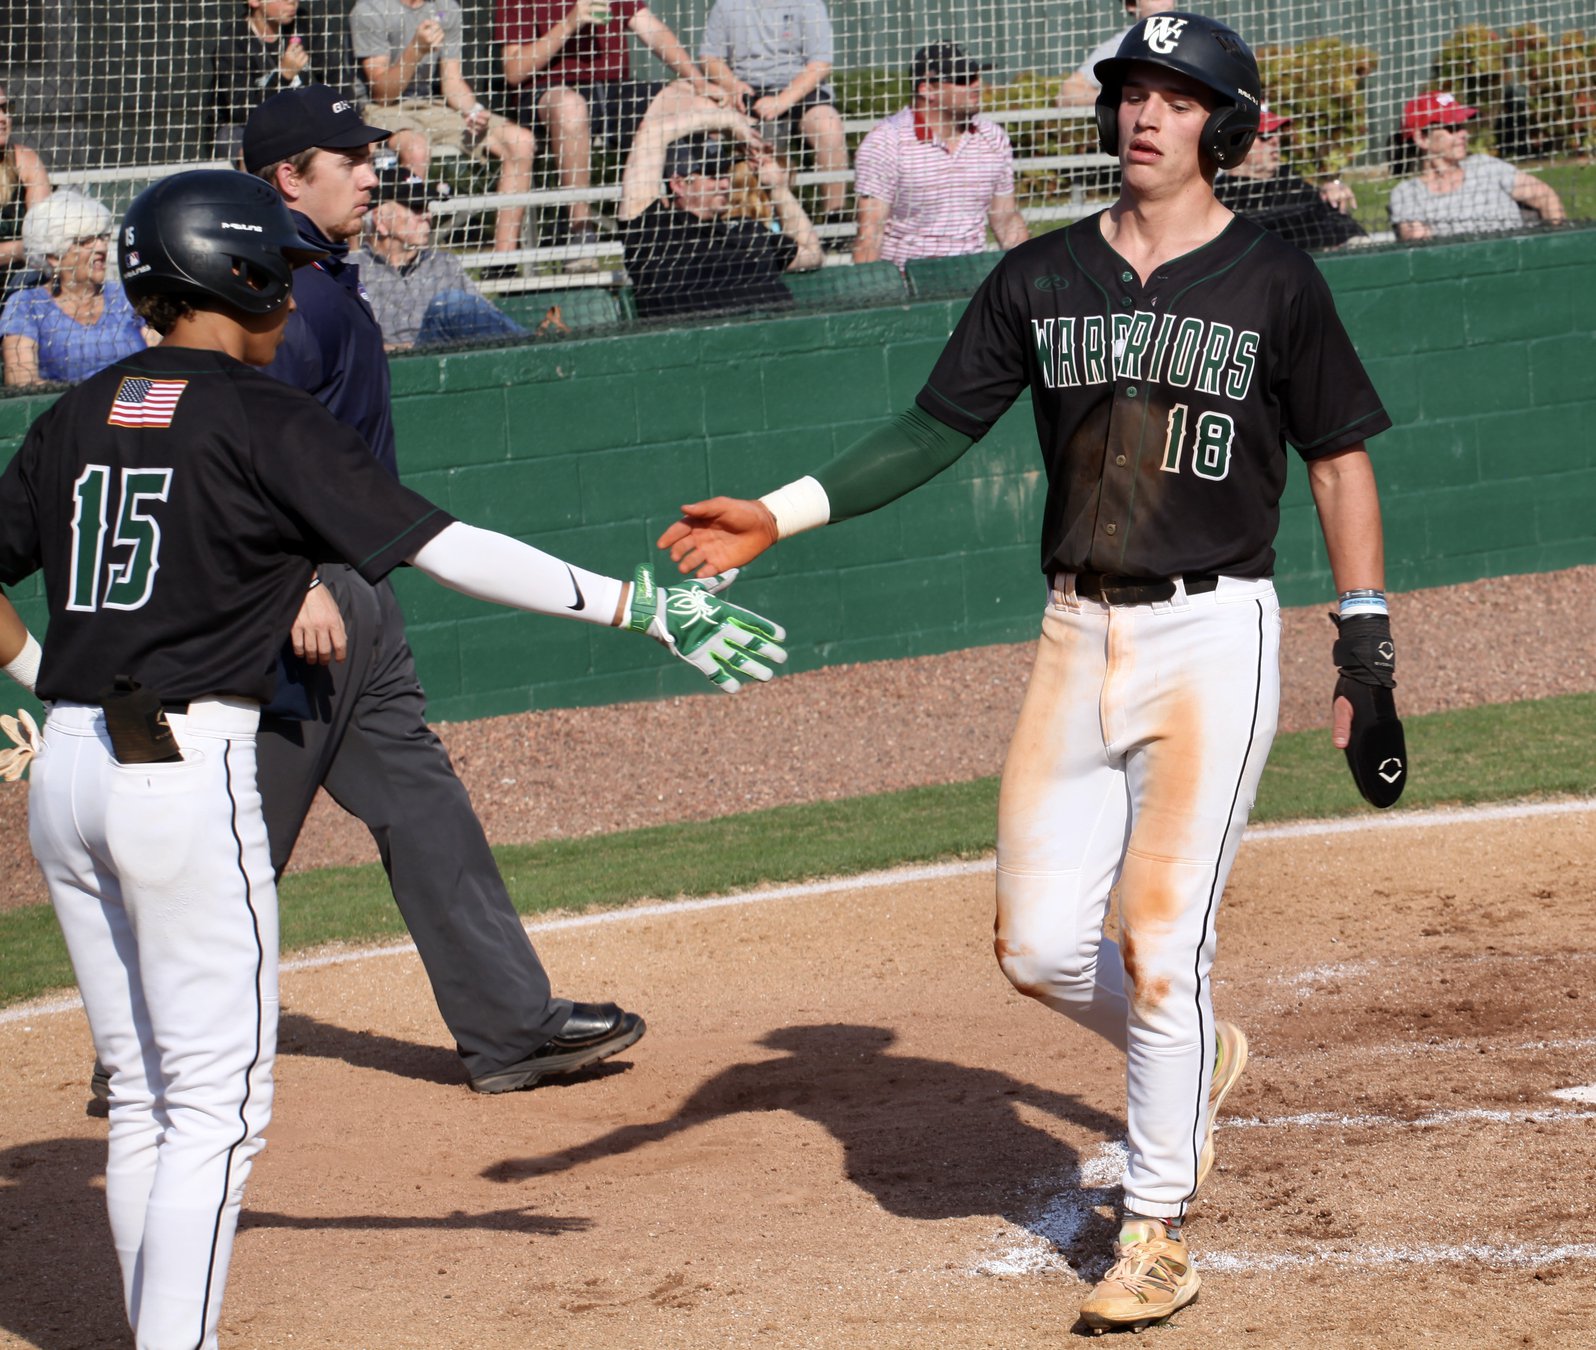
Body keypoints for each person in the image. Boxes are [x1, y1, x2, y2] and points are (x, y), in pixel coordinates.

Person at [657, 12, 1399, 1333]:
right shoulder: (1040, 276)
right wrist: (778, 512)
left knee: (1159, 950)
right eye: (1130, 93)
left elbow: (1341, 458)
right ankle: (1200, 1059)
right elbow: (931, 429)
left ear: (1219, 127)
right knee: (1043, 949)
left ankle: (1158, 1222)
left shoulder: (1276, 284)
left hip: (1210, 638)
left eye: (1176, 97)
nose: (1144, 115)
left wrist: (1365, 642)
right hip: (1074, 635)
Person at [10, 166, 785, 1350]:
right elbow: (448, 546)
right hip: (183, 768)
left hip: (72, 764)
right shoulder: (265, 416)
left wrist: (39, 688)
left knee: (150, 1106)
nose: (291, 287)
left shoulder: (80, 408)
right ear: (241, 275)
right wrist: (637, 609)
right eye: (278, 267)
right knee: (216, 1108)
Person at [240, 83, 655, 1096]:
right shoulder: (275, 304)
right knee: (234, 841)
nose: (373, 169)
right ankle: (141, 1054)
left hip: (358, 599)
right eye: (349, 158)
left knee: (425, 809)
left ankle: (512, 1028)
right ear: (288, 177)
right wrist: (292, 585)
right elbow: (238, 455)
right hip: (296, 610)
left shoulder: (319, 281)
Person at [497, 0, 723, 251]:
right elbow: (514, 70)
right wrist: (570, 22)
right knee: (570, 109)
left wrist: (698, 82)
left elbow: (652, 30)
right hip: (549, 91)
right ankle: (579, 231)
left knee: (696, 104)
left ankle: (699, 229)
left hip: (615, 88)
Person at [350, 0, 536, 263]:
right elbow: (382, 93)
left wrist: (472, 110)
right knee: (415, 149)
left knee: (520, 141)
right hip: (383, 110)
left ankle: (503, 263)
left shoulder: (446, 7)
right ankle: (403, 262)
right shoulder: (370, 9)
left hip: (434, 106)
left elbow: (452, 80)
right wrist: (416, 48)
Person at [617, 102, 821, 318]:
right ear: (678, 184)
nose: (724, 184)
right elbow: (651, 133)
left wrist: (778, 190)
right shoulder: (654, 230)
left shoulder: (746, 229)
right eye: (712, 175)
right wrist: (729, 122)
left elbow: (812, 254)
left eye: (725, 174)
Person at [852, 43, 1029, 269]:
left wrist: (1031, 279)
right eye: (963, 80)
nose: (977, 85)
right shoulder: (886, 142)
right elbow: (870, 234)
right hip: (909, 282)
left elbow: (1006, 221)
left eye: (976, 77)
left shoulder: (992, 137)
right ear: (927, 89)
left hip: (975, 277)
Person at [698, 0, 848, 220]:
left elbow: (820, 65)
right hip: (745, 88)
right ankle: (716, 216)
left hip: (799, 89)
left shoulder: (809, 5)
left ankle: (836, 216)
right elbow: (710, 58)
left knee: (828, 125)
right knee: (709, 125)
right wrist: (733, 85)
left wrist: (782, 100)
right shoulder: (726, 5)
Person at [351, 163, 527, 348]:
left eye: (427, 206)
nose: (426, 215)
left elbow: (486, 318)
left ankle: (533, 348)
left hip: (444, 360)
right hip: (387, 367)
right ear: (380, 220)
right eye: (416, 207)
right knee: (448, 304)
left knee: (454, 305)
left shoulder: (444, 264)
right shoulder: (351, 271)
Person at [0, 190, 149, 387]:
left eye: (103, 238)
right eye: (85, 241)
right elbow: (21, 380)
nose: (102, 248)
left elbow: (163, 357)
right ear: (54, 256)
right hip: (68, 413)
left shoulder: (127, 297)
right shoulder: (27, 306)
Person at [1390, 90, 1566, 241]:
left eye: (1462, 126)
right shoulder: (1408, 194)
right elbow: (1421, 250)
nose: (1464, 133)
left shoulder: (1486, 167)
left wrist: (1556, 245)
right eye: (1452, 128)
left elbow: (1545, 196)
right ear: (1421, 138)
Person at [1215, 105, 1365, 251]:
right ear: (1236, 142)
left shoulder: (1289, 182)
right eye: (1264, 136)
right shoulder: (1219, 196)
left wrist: (1330, 193)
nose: (1275, 140)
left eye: (1277, 133)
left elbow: (1342, 228)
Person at [204, 0, 322, 165]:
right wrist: (283, 76)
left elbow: (336, 76)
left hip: (297, 121)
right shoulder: (233, 44)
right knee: (237, 140)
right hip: (248, 129)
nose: (292, 1)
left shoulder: (303, 25)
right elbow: (241, 113)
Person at [1056, 0, 1175, 107]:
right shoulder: (1123, 43)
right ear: (1131, 4)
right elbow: (1066, 93)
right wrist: (1122, 97)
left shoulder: (1190, 34)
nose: (1168, 3)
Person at [0, 82, 52, 293]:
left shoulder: (25, 161)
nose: (3, 119)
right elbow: (29, 246)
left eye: (5, 108)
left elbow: (42, 237)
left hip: (18, 282)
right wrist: (18, 248)